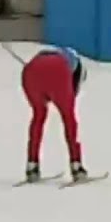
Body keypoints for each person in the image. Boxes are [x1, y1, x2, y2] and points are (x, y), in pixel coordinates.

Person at [21, 46, 91, 183]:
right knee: (68, 119)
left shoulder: (61, 55)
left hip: (30, 70)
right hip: (58, 70)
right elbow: (73, 90)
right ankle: (76, 166)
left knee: (38, 116)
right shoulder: (77, 65)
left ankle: (32, 166)